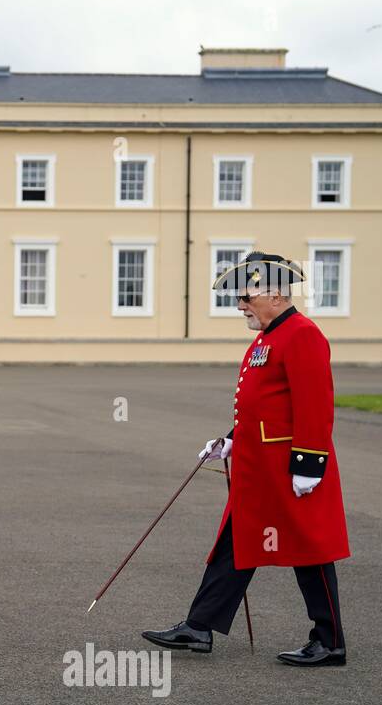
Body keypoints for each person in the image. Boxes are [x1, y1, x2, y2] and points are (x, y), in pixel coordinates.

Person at [143, 252, 350, 666]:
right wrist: (232, 440)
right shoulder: (268, 337)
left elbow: (314, 405)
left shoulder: (302, 334)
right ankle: (199, 626)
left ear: (273, 293)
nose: (240, 305)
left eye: (245, 297)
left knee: (309, 551)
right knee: (234, 545)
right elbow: (264, 405)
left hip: (289, 469)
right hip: (259, 470)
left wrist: (309, 464)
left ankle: (329, 642)